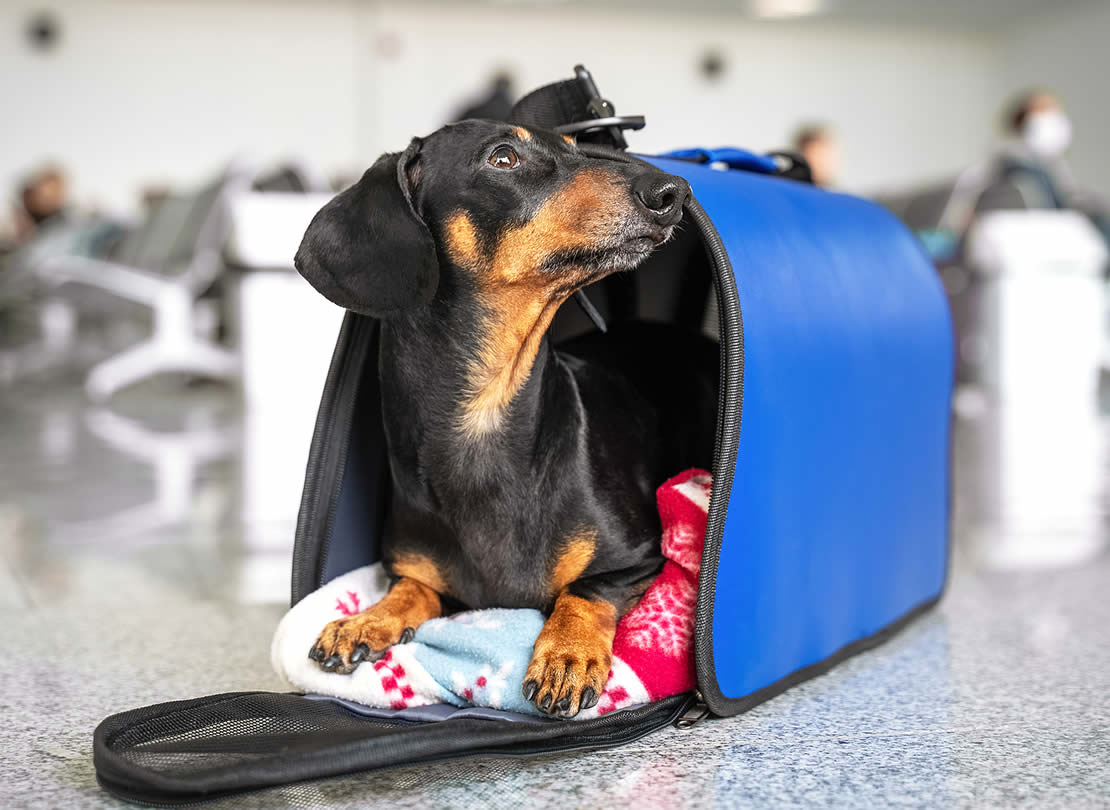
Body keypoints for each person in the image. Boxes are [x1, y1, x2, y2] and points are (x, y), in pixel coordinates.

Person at [976, 89, 1108, 246]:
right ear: (1023, 121)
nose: (1056, 120)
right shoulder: (1016, 169)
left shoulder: (1048, 166)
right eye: (1046, 112)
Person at [791, 124, 839, 188]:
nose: (820, 162)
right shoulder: (789, 188)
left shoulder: (839, 192)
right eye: (815, 155)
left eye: (824, 156)